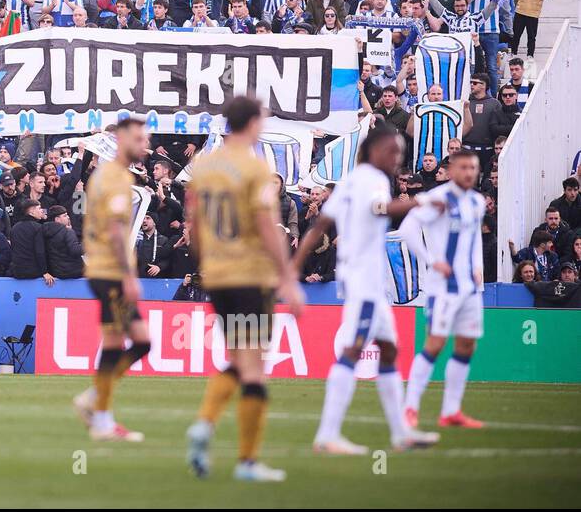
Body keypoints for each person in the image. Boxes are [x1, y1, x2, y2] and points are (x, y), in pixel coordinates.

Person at [294, 126, 438, 454]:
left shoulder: (351, 180)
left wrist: (293, 267)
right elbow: (379, 209)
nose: (396, 157)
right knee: (353, 350)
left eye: (399, 151)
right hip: (364, 281)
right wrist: (421, 201)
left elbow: (319, 226)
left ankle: (400, 433)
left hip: (363, 277)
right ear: (374, 150)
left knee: (387, 350)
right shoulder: (373, 180)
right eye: (392, 150)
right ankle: (328, 434)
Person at [184, 97, 304, 482]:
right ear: (252, 122)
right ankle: (247, 462)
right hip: (251, 275)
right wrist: (287, 277)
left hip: (218, 276)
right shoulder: (255, 168)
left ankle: (205, 423)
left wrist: (207, 261)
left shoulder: (203, 166)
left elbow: (193, 225)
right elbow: (267, 226)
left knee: (240, 359)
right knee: (254, 367)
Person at [71, 116, 152, 441]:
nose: (145, 145)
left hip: (104, 270)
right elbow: (117, 231)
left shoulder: (108, 175)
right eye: (139, 139)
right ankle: (101, 416)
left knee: (134, 342)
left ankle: (95, 402)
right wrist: (129, 275)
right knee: (126, 343)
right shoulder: (115, 177)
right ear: (121, 140)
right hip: (111, 272)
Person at [397, 150, 487, 429]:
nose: (469, 172)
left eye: (473, 167)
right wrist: (431, 260)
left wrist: (477, 267)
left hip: (470, 287)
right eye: (464, 167)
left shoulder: (476, 201)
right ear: (451, 170)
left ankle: (451, 411)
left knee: (466, 345)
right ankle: (410, 407)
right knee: (435, 344)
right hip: (443, 287)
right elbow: (407, 228)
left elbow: (474, 238)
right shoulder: (438, 198)